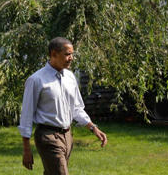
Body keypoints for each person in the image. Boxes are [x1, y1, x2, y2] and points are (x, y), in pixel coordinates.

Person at [19, 37, 108, 174]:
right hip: (48, 136)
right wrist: (26, 149)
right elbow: (26, 115)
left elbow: (76, 108)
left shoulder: (70, 77)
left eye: (72, 54)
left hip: (67, 136)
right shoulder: (36, 80)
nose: (71, 58)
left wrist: (93, 128)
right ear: (54, 54)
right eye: (67, 54)